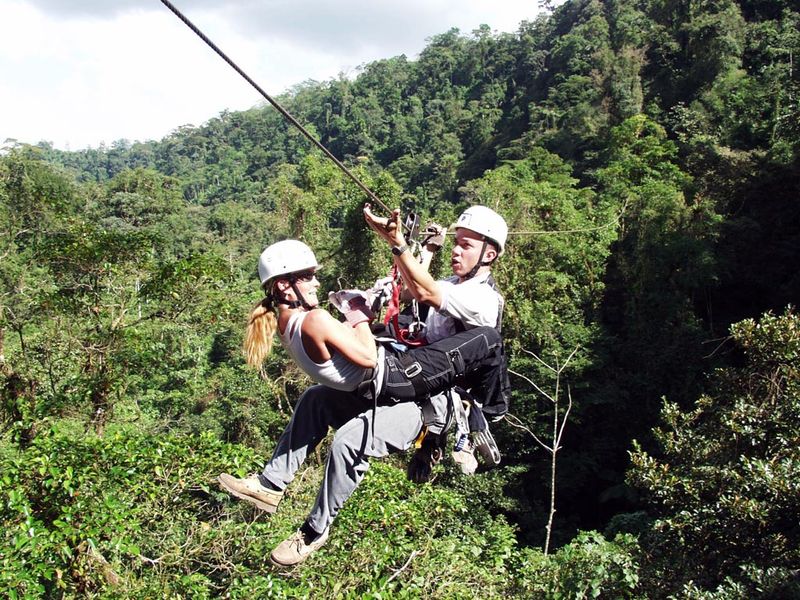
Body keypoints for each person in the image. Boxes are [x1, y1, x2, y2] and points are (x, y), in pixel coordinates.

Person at [218, 234, 506, 567]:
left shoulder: (286, 322)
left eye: (465, 245)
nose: (316, 281)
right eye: (308, 276)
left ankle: (310, 526)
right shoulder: (311, 320)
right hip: (397, 384)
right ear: (285, 288)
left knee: (345, 433)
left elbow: (421, 293)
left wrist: (412, 253)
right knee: (318, 401)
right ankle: (275, 490)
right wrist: (362, 311)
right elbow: (399, 315)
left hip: (415, 396)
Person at [363, 204, 510, 477]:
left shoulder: (483, 298)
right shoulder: (453, 284)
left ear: (489, 254)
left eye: (466, 245)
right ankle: (431, 439)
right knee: (388, 326)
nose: (456, 250)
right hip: (431, 367)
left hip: (453, 381)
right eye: (455, 243)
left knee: (486, 337)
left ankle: (459, 427)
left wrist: (398, 243)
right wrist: (427, 251)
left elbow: (424, 291)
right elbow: (409, 290)